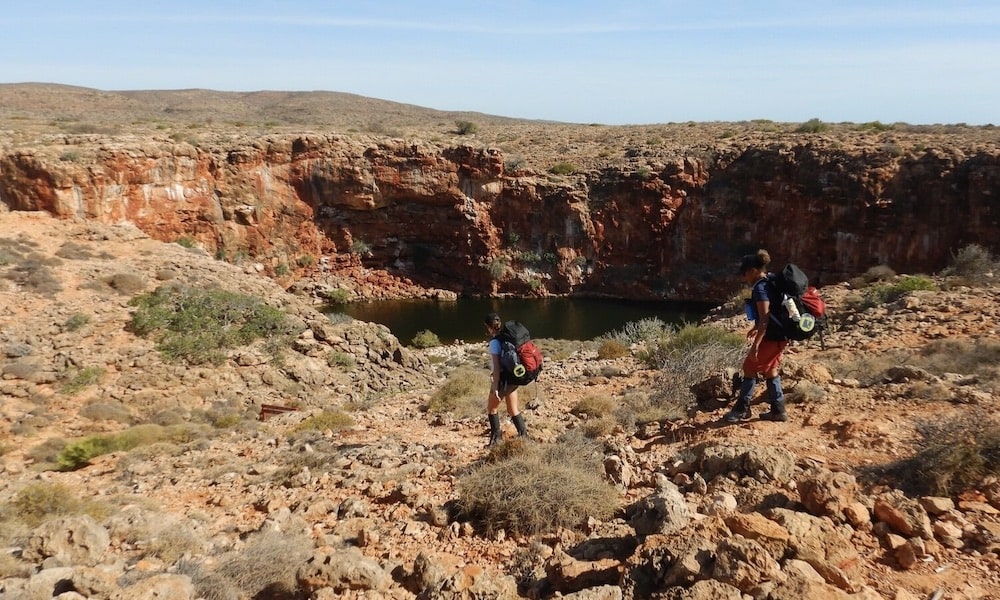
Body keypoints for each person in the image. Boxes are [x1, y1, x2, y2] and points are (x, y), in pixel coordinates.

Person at [724, 249, 789, 423]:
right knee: (770, 369)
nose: (744, 277)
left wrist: (756, 345)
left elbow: (765, 319)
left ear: (752, 270)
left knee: (749, 368)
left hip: (773, 337)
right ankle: (778, 410)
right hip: (781, 335)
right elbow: (768, 315)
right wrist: (755, 326)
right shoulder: (770, 281)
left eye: (745, 273)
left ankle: (741, 410)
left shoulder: (760, 288)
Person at [484, 312, 529, 445]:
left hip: (503, 381)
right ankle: (524, 436)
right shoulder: (507, 338)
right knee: (512, 409)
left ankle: (495, 440)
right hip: (513, 379)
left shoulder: (494, 343)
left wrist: (496, 387)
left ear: (488, 327)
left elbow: (497, 368)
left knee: (491, 409)